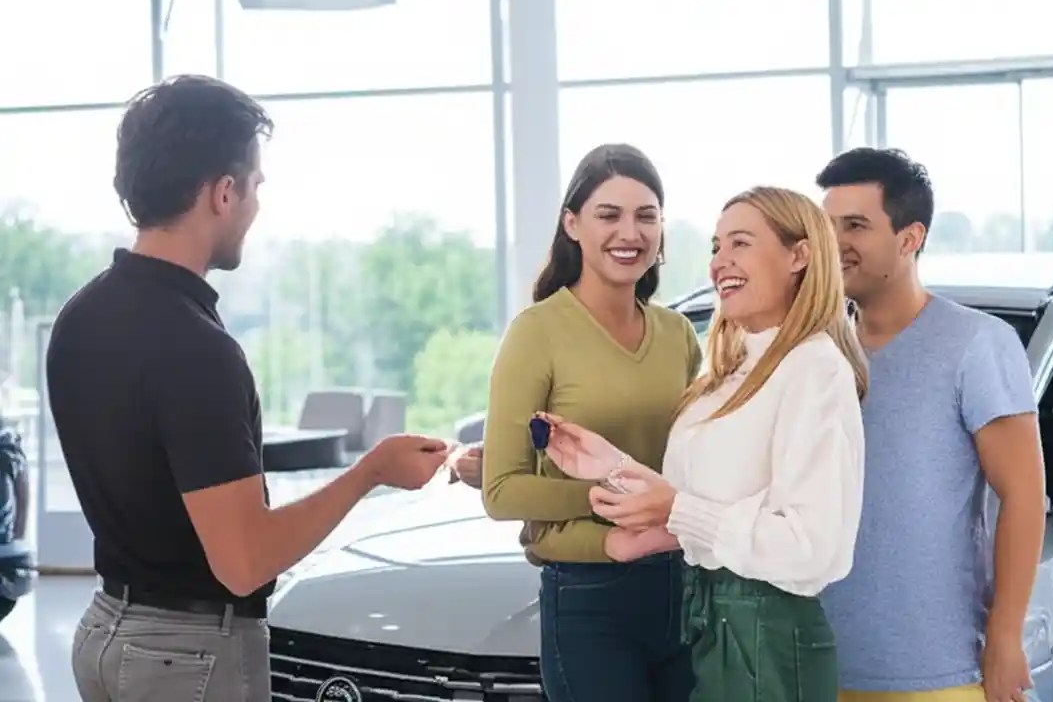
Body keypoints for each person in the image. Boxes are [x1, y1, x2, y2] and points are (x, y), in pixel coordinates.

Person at [45, 75, 451, 701]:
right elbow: (245, 561)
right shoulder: (196, 349)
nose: (258, 204)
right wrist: (371, 471)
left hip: (103, 633)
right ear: (223, 193)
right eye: (256, 185)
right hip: (187, 657)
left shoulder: (80, 316)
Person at [543, 186, 869, 701]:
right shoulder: (730, 371)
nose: (720, 262)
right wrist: (614, 466)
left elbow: (814, 549)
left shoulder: (815, 368)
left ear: (799, 255)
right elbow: (699, 506)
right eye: (716, 247)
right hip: (704, 627)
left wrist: (673, 507)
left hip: (768, 642)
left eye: (740, 243)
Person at [814, 147, 1045, 702]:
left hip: (939, 671)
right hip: (818, 663)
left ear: (910, 237)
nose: (835, 242)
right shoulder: (816, 352)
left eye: (856, 225)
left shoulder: (976, 344)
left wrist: (1005, 636)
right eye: (826, 226)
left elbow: (1024, 495)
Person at [480, 143, 702, 702]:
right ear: (572, 224)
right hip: (590, 598)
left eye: (645, 216)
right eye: (609, 215)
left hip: (688, 590)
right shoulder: (538, 332)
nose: (630, 232)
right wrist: (623, 501)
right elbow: (502, 492)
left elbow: (700, 469)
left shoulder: (678, 335)